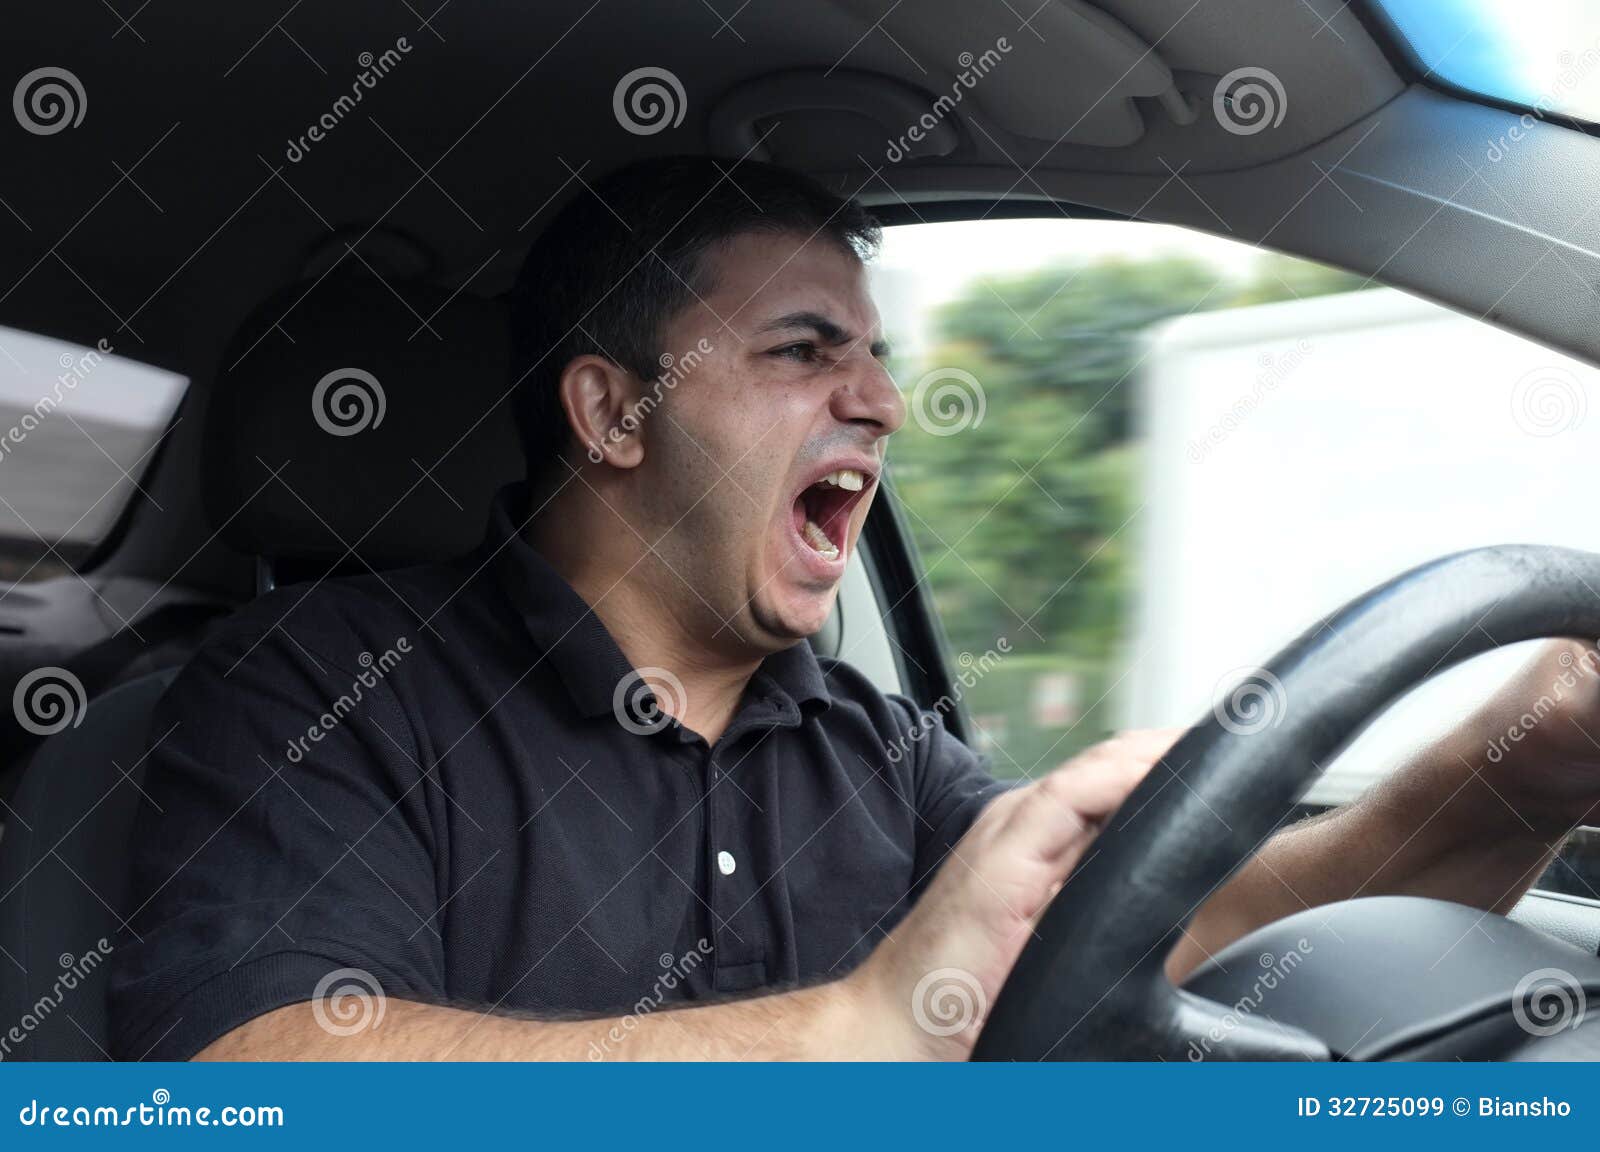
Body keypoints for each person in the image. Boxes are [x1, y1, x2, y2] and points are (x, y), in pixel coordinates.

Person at [109, 155, 1600, 1061]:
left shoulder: (875, 749)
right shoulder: (318, 692)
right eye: (803, 353)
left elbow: (1188, 929)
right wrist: (855, 1031)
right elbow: (248, 1069)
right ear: (615, 413)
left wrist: (1517, 766)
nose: (883, 405)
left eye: (874, 359)